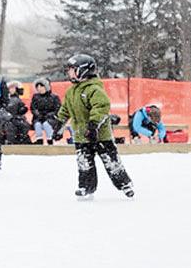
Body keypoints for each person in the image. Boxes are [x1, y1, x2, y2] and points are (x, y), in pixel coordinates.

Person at [55, 54, 134, 201]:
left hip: (99, 135)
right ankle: (86, 187)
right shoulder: (71, 92)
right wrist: (59, 125)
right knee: (84, 162)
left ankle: (125, 184)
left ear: (83, 71)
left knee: (111, 160)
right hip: (80, 135)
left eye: (72, 70)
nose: (69, 73)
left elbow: (101, 107)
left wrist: (93, 125)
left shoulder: (94, 89)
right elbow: (65, 110)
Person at [30, 78, 62, 145]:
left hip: (51, 118)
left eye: (41, 86)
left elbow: (57, 109)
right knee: (37, 125)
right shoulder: (35, 97)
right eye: (37, 87)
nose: (39, 88)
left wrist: (49, 115)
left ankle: (50, 140)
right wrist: (38, 114)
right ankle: (39, 140)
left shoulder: (54, 97)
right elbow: (33, 108)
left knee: (46, 124)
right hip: (38, 118)